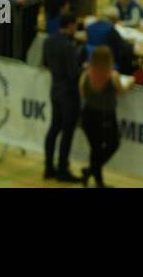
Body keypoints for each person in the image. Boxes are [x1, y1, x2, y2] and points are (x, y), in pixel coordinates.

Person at [43, 13, 82, 183]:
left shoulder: (49, 40)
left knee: (54, 129)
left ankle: (49, 167)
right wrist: (84, 69)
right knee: (67, 132)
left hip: (55, 89)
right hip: (69, 94)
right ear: (71, 25)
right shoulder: (68, 46)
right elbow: (74, 73)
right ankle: (62, 170)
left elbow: (45, 63)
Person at [79, 45, 123, 188]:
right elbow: (120, 91)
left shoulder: (86, 74)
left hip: (88, 115)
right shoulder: (113, 76)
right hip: (105, 117)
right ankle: (92, 173)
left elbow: (82, 93)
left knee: (96, 148)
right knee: (113, 144)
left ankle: (96, 179)